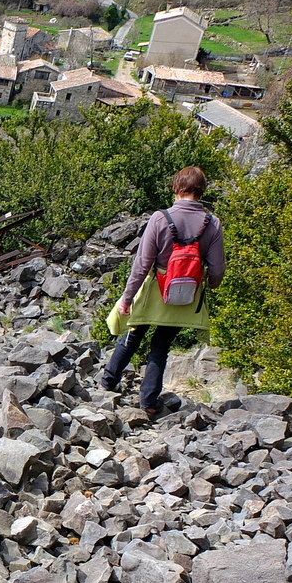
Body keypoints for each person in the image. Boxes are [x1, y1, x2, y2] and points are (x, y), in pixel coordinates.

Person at [100, 166, 226, 416]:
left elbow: (141, 264)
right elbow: (217, 268)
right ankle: (148, 402)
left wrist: (127, 298)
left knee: (134, 334)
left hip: (155, 288)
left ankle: (107, 383)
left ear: (176, 187)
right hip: (187, 294)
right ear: (201, 190)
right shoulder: (213, 223)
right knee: (161, 345)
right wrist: (209, 285)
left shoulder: (160, 218)